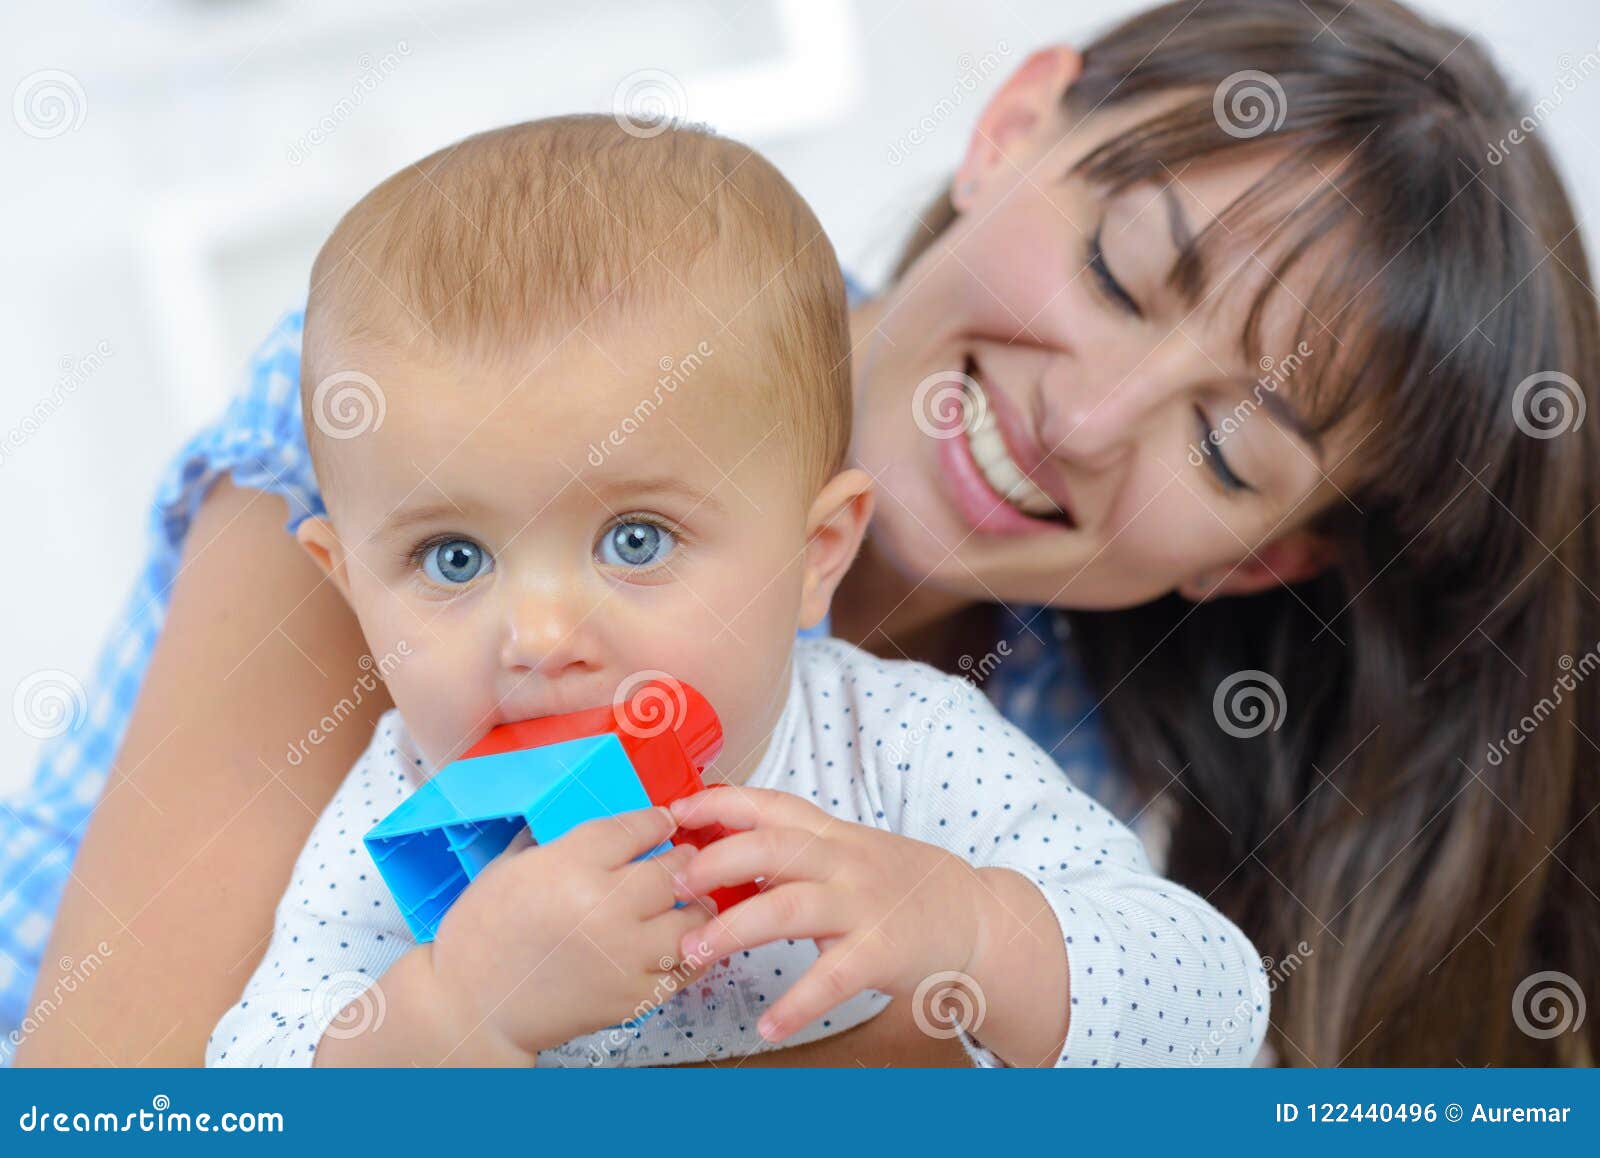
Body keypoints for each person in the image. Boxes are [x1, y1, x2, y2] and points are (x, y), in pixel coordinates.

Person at [9, 0, 1596, 1067]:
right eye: (1120, 272)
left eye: (1226, 443)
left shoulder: (979, 745)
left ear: (1256, 562)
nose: (1088, 416)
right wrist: (452, 1015)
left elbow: (1191, 1006)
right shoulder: (457, 413)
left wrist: (971, 935)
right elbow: (136, 1101)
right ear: (1012, 125)